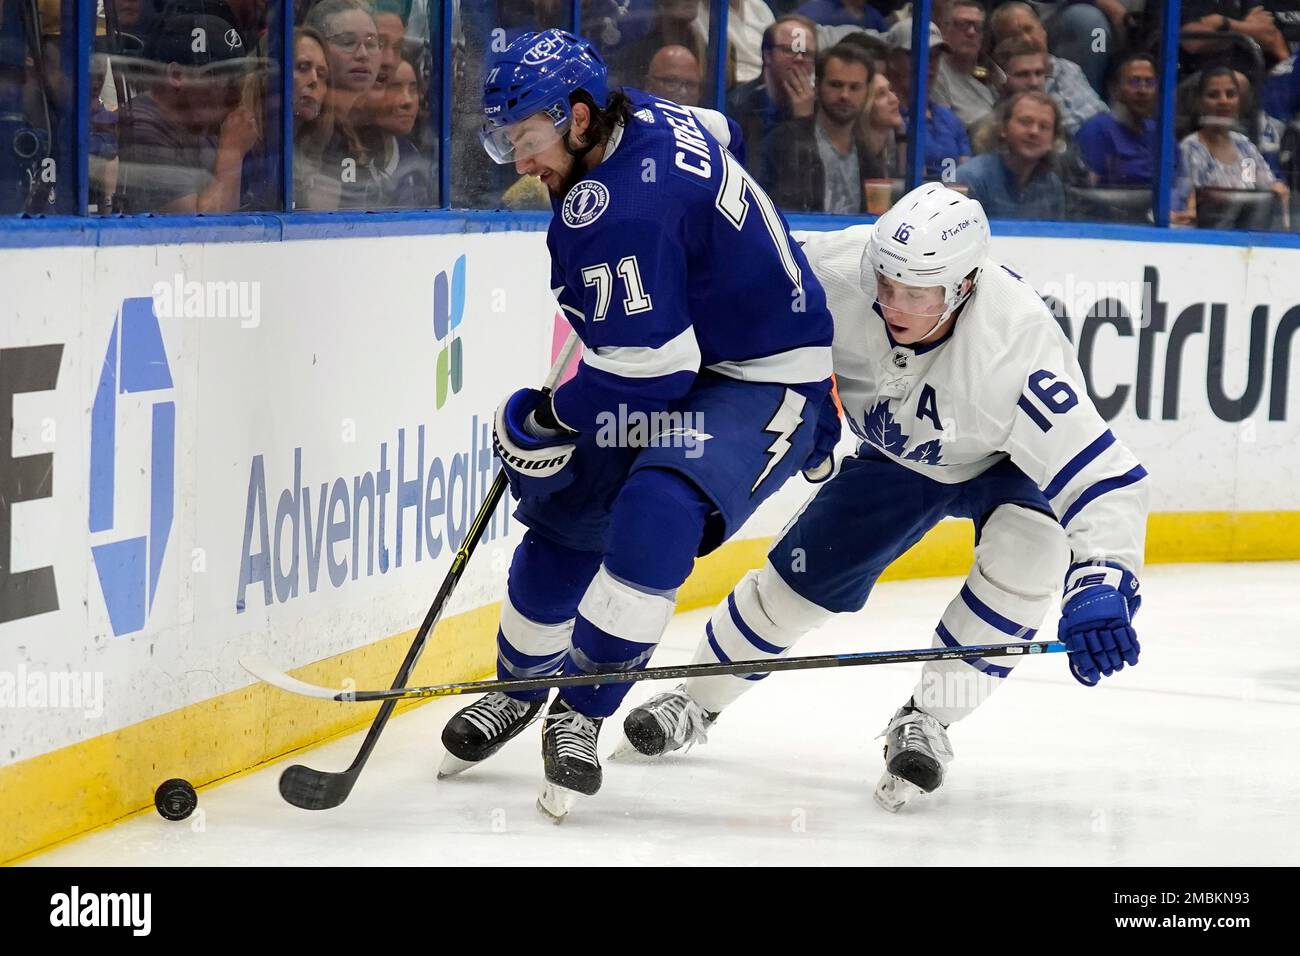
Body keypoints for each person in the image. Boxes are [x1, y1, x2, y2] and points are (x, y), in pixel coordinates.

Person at [618, 182, 1150, 813]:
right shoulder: (839, 268)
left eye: (915, 292)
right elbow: (740, 271)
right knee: (799, 579)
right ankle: (696, 697)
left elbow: (1106, 479)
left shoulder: (1015, 348)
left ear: (964, 286)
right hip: (903, 455)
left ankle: (929, 719)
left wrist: (1100, 582)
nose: (891, 304)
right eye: (886, 283)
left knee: (1029, 556)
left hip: (1012, 462)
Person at [439, 29, 838, 820]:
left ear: (580, 116)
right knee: (569, 512)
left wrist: (545, 417)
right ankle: (519, 687)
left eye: (528, 139)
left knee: (656, 507)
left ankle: (581, 711)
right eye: (506, 140)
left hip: (764, 376)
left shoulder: (616, 214)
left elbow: (651, 374)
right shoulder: (648, 116)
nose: (520, 163)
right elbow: (719, 133)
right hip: (689, 349)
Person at [117, 11, 257, 213]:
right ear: (176, 75)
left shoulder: (202, 124)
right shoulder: (139, 125)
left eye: (235, 78)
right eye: (217, 75)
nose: (233, 90)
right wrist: (232, 153)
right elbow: (199, 231)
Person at [762, 43, 884, 212]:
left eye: (854, 87)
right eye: (835, 85)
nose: (844, 95)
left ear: (867, 91)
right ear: (818, 86)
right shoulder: (785, 142)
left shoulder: (870, 161)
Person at [1172, 65, 1289, 223]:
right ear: (1199, 102)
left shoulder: (1244, 146)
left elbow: (1263, 185)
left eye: (1230, 94)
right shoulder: (1190, 149)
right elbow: (1186, 206)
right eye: (1214, 95)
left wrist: (1277, 188)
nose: (1223, 101)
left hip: (1248, 232)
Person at [989, 2, 1107, 135]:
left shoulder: (1069, 68)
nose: (1026, 39)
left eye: (1028, 29)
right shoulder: (1002, 84)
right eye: (1013, 36)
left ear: (1043, 30)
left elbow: (1100, 111)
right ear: (1000, 44)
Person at [728, 14, 820, 183]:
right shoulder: (738, 105)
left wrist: (804, 122)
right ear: (767, 55)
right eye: (789, 50)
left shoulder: (823, 107)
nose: (799, 59)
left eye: (806, 53)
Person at [957, 91, 1066, 218]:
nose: (1034, 131)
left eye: (1044, 126)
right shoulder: (971, 179)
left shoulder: (1051, 184)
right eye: (1025, 122)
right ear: (1003, 128)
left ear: (1053, 139)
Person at [885, 19, 970, 182]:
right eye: (917, 54)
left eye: (935, 56)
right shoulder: (883, 116)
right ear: (892, 59)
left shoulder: (950, 120)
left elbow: (966, 180)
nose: (928, 64)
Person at [1075, 52, 1158, 186]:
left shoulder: (1159, 132)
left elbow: (1181, 181)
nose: (1143, 90)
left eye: (1149, 82)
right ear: (1114, 88)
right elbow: (1088, 192)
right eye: (1134, 82)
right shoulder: (1096, 130)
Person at [932, 0, 996, 127]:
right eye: (962, 25)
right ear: (944, 30)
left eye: (977, 27)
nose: (971, 32)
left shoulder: (986, 74)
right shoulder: (935, 72)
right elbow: (946, 129)